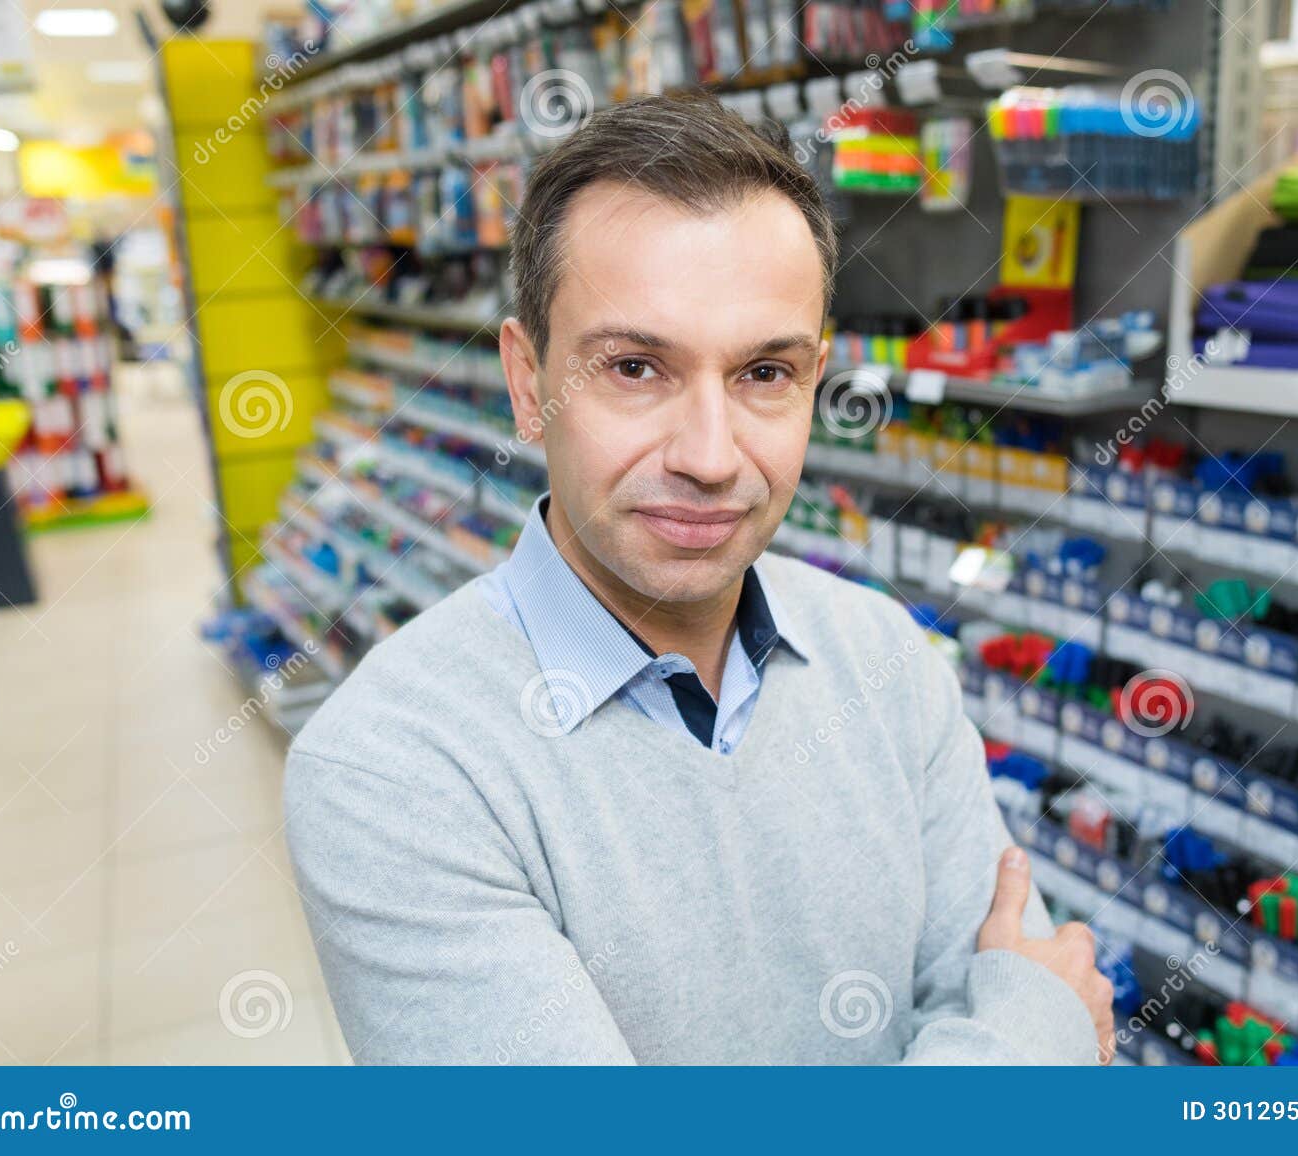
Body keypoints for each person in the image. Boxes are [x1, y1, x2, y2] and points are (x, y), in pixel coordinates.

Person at [285, 92, 1113, 1065]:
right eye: (635, 367)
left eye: (764, 372)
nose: (711, 456)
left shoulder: (884, 653)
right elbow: (1027, 1014)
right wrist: (1030, 1033)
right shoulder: (395, 769)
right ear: (527, 382)